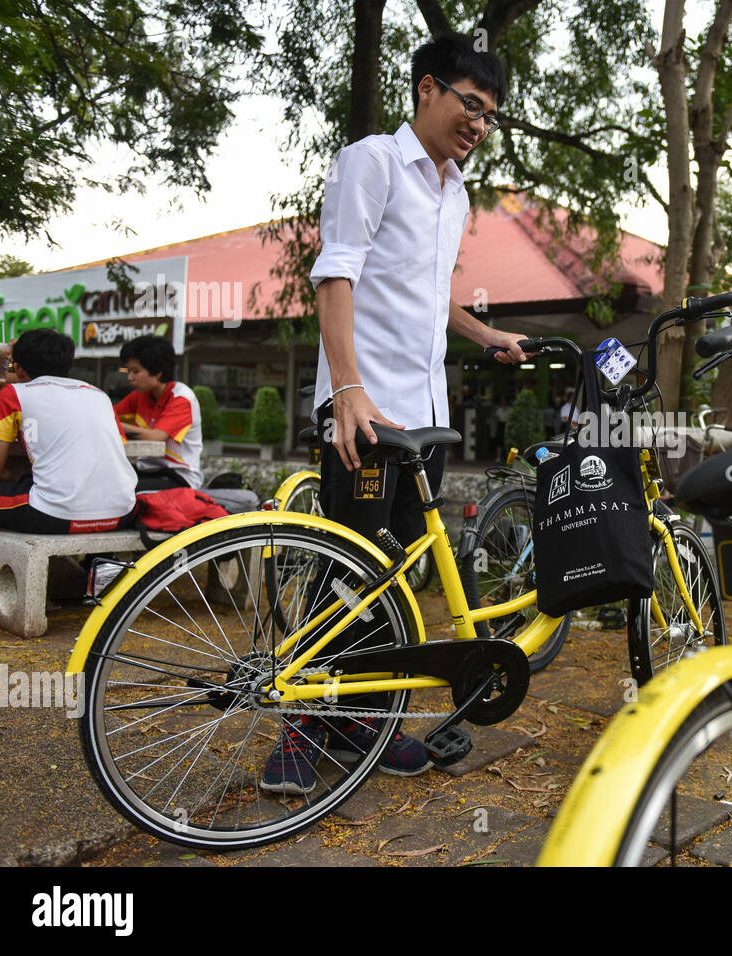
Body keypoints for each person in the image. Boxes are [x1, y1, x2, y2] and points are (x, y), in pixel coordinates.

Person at [261, 32, 529, 794]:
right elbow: (336, 271)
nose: (478, 124)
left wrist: (486, 334)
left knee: (396, 578)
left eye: (490, 116)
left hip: (426, 415)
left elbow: (424, 291)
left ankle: (365, 723)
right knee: (350, 571)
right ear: (426, 90)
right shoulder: (372, 160)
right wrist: (347, 391)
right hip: (367, 410)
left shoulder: (455, 191)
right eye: (468, 105)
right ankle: (298, 727)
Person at [0, 330, 137, 620]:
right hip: (122, 511)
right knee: (33, 485)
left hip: (55, 514)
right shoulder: (98, 394)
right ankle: (97, 566)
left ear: (19, 367)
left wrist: (5, 359)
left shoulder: (14, 393)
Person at [114, 335, 204, 489]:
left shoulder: (182, 398)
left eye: (135, 371)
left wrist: (112, 424)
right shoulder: (140, 395)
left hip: (179, 476)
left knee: (124, 490)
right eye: (128, 371)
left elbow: (156, 437)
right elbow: (109, 414)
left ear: (158, 372)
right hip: (147, 470)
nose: (130, 378)